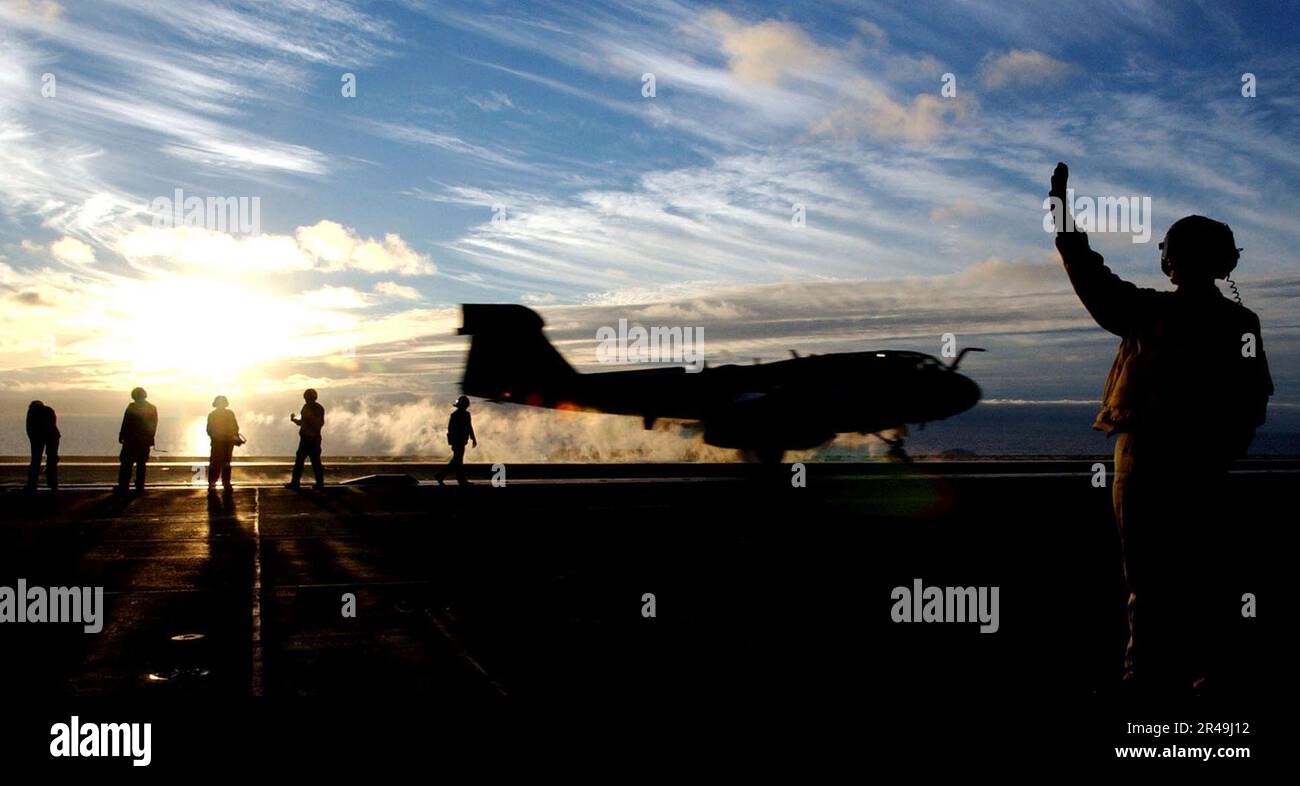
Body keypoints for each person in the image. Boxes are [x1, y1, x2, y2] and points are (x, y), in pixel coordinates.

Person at [1050, 163, 1273, 693]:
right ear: (1225, 261)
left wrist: (1062, 216)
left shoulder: (1147, 313)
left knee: (1147, 587)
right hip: (1204, 468)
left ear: (1172, 261)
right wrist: (1217, 453)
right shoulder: (1240, 324)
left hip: (1145, 463)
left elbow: (1091, 276)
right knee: (1205, 579)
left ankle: (1145, 688)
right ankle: (1206, 679)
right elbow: (1251, 400)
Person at [116, 387, 158, 494]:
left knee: (126, 463)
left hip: (131, 440)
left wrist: (122, 435)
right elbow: (153, 426)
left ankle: (124, 485)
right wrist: (150, 438)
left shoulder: (132, 407)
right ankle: (139, 486)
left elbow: (126, 422)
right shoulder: (152, 408)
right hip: (144, 440)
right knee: (141, 464)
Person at [286, 388, 325, 490]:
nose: (306, 400)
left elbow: (316, 423)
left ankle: (297, 483)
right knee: (308, 461)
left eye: (307, 398)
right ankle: (317, 483)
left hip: (311, 439)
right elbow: (304, 422)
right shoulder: (313, 408)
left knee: (308, 461)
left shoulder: (313, 408)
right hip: (309, 438)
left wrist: (299, 421)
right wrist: (294, 420)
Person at [435, 395, 477, 486]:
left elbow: (469, 427)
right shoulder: (455, 415)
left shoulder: (466, 415)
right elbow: (451, 430)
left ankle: (456, 479)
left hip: (462, 441)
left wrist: (473, 438)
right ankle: (442, 476)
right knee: (457, 461)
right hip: (457, 441)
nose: (465, 406)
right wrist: (452, 442)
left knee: (457, 461)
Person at [206, 395, 240, 492]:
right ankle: (224, 482)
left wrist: (219, 437)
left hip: (219, 443)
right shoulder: (229, 414)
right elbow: (235, 428)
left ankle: (214, 483)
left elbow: (209, 430)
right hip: (226, 443)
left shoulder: (212, 415)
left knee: (217, 463)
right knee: (224, 463)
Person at [25, 400, 60, 491]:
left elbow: (29, 429)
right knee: (52, 460)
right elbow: (53, 424)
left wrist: (34, 442)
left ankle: (32, 483)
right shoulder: (49, 410)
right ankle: (53, 483)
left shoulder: (32, 412)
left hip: (39, 436)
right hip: (52, 436)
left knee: (36, 460)